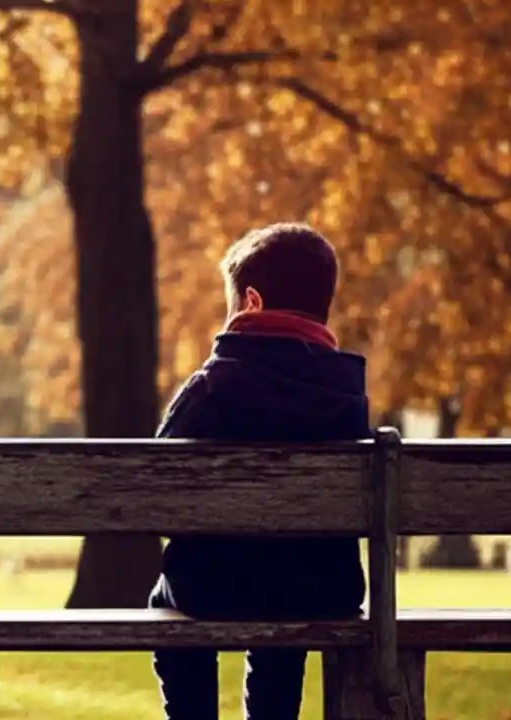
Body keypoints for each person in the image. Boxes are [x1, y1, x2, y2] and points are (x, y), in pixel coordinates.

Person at [148, 223, 368, 719]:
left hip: (212, 587)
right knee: (288, 586)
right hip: (322, 589)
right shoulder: (347, 394)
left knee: (166, 598)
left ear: (250, 302)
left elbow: (153, 490)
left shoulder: (212, 386)